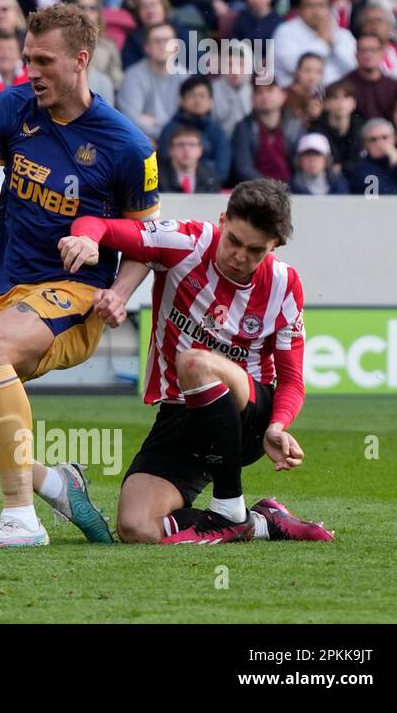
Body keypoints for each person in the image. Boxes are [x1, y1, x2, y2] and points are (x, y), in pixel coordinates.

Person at [0, 2, 159, 549]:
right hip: (9, 297)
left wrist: (119, 292)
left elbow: (148, 242)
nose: (31, 72)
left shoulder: (128, 146)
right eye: (26, 59)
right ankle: (51, 483)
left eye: (43, 61)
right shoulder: (11, 108)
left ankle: (20, 520)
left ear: (80, 60)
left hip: (75, 298)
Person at [60, 180, 333, 545]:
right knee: (136, 527)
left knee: (192, 362)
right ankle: (260, 521)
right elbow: (103, 226)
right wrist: (86, 240)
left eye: (255, 251)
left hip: (248, 419)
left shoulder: (284, 284)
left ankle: (229, 509)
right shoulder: (186, 242)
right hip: (183, 416)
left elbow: (292, 380)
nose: (239, 257)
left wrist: (277, 426)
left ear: (274, 247)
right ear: (222, 220)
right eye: (233, 241)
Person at [232, 79, 302, 185]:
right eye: (259, 92)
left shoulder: (295, 126)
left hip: (292, 190)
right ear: (252, 99)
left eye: (270, 91)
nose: (265, 96)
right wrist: (270, 187)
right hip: (256, 191)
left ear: (283, 96)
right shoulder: (244, 128)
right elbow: (244, 168)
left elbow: (301, 165)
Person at [344, 118, 397, 196]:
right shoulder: (360, 170)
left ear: (394, 139)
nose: (380, 143)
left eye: (384, 137)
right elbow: (384, 196)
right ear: (365, 144)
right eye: (373, 139)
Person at [158, 124, 221, 194]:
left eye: (191, 144)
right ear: (170, 150)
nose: (186, 149)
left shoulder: (211, 179)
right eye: (180, 144)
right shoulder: (157, 179)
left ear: (200, 150)